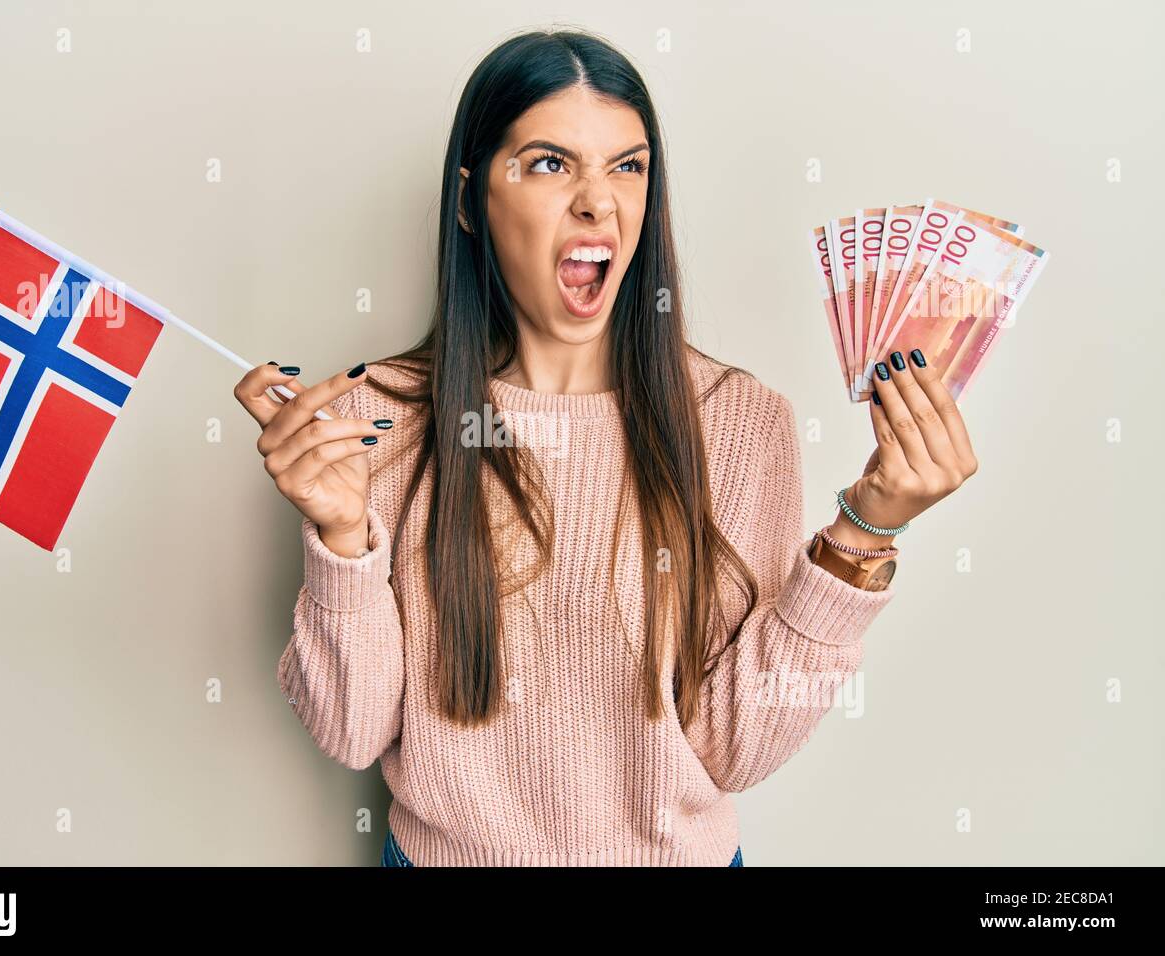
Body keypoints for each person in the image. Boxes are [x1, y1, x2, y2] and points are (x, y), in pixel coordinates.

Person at [233, 29, 977, 867]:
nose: (599, 202)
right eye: (551, 164)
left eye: (628, 166)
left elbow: (737, 751)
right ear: (472, 202)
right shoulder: (377, 417)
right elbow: (351, 728)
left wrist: (866, 532)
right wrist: (342, 541)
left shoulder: (740, 423)